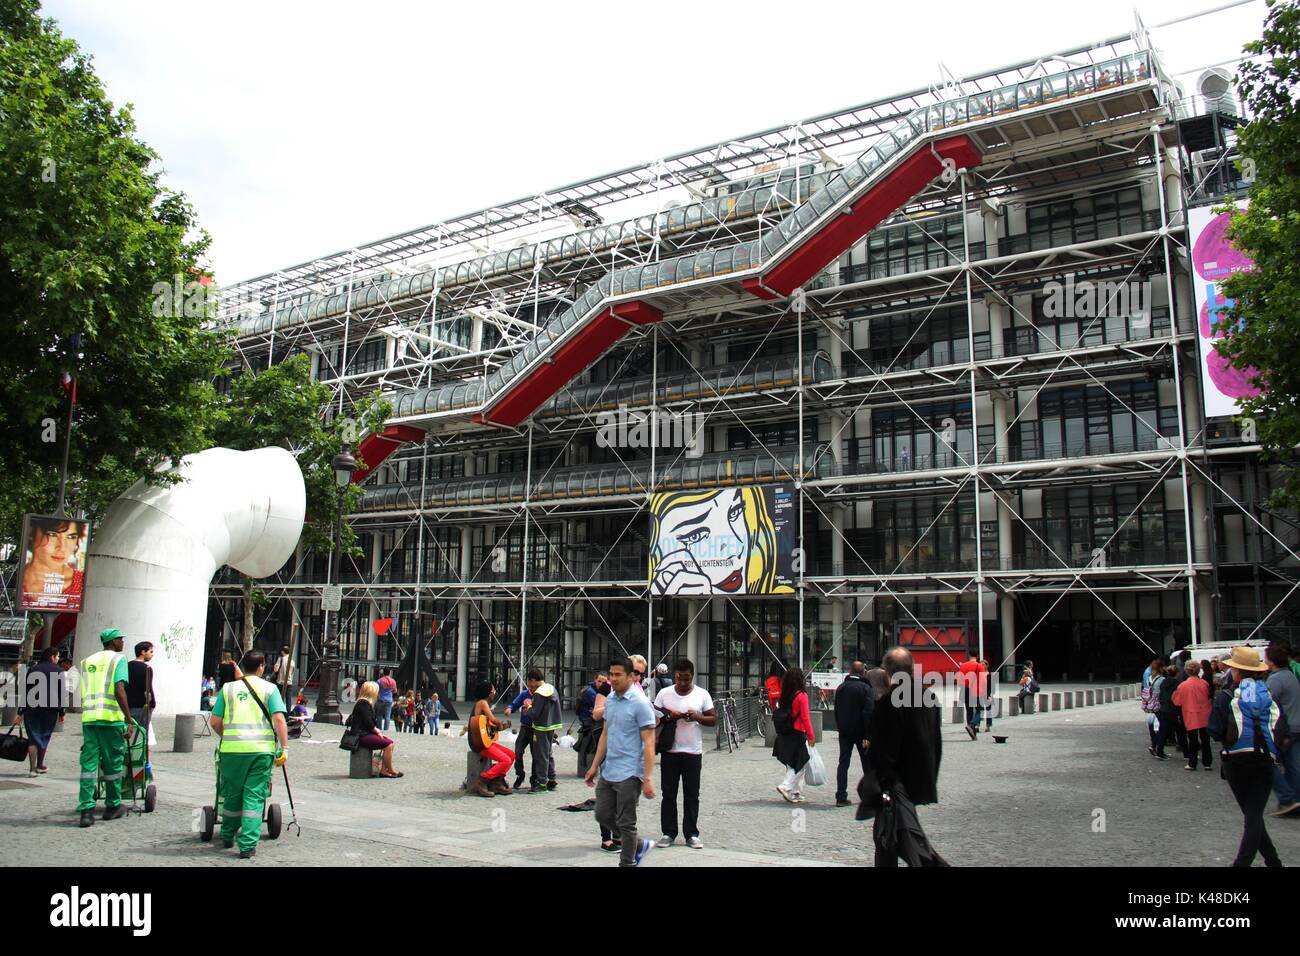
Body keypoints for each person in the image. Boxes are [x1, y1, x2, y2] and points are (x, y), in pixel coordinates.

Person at [867, 647, 945, 867]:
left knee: (887, 837)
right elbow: (935, 740)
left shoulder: (889, 702)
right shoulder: (928, 696)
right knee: (898, 835)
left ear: (887, 671)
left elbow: (884, 748)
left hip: (895, 782)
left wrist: (882, 780)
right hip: (920, 777)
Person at [1208, 646, 1284, 867]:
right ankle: (1273, 862)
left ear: (1237, 671)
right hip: (1265, 760)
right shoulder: (1269, 695)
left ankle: (1241, 864)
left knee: (1252, 816)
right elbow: (1280, 728)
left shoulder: (1227, 696)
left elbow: (1214, 730)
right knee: (1254, 815)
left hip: (1236, 760)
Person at [210, 650, 290, 858]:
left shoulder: (227, 689)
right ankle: (246, 845)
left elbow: (215, 722)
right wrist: (284, 747)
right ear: (261, 666)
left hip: (231, 751)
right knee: (254, 797)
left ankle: (227, 834)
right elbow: (279, 719)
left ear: (242, 666)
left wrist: (226, 736)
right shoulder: (270, 689)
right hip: (260, 751)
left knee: (232, 795)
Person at [586, 658, 657, 867]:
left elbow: (650, 742)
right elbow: (605, 735)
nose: (613, 679)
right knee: (602, 814)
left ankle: (627, 862)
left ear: (629, 677)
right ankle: (638, 844)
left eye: (618, 675)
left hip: (630, 772)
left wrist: (648, 778)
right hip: (609, 769)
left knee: (626, 823)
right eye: (611, 674)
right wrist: (593, 766)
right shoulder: (610, 700)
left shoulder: (640, 703)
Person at [653, 658, 715, 849]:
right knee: (668, 794)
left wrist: (697, 717)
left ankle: (692, 833)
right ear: (674, 675)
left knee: (692, 794)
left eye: (686, 679)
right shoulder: (664, 693)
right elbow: (653, 717)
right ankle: (668, 832)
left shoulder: (702, 694)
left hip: (693, 751)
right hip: (670, 750)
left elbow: (713, 719)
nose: (681, 683)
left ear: (692, 676)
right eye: (679, 678)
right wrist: (671, 716)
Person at [75, 628, 132, 828]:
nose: (123, 642)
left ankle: (86, 810)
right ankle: (112, 806)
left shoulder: (86, 662)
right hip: (111, 719)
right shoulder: (118, 660)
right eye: (120, 639)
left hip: (90, 719)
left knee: (89, 766)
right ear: (112, 641)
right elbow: (119, 688)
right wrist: (129, 718)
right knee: (113, 765)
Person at [17, 646, 65, 777]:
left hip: (31, 708)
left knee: (33, 738)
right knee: (44, 735)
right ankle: (40, 765)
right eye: (58, 656)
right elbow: (61, 694)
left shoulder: (32, 670)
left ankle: (33, 769)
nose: (58, 659)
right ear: (52, 657)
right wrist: (62, 712)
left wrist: (20, 712)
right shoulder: (59, 671)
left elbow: (25, 691)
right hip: (50, 709)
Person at [1264, 644, 1300, 816]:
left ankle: (1286, 798)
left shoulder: (1275, 679)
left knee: (1266, 763)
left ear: (1271, 662)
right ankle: (1295, 799)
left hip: (1283, 728)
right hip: (1296, 724)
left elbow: (1267, 703)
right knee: (1292, 765)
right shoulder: (1290, 675)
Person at [832, 660, 873, 808]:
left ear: (850, 671)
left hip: (844, 731)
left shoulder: (841, 688)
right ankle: (869, 795)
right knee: (867, 764)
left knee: (843, 763)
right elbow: (868, 712)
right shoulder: (865, 688)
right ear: (863, 672)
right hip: (861, 732)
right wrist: (868, 735)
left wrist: (839, 726)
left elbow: (836, 710)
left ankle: (841, 796)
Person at [772, 666, 816, 804]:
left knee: (793, 762)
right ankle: (786, 786)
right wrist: (811, 735)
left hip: (785, 732)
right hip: (797, 732)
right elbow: (805, 717)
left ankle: (796, 792)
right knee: (800, 762)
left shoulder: (785, 695)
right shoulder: (802, 696)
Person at [345, 682, 402, 778]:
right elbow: (369, 723)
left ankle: (384, 770)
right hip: (361, 736)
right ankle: (390, 769)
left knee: (391, 743)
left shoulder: (363, 703)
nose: (378, 693)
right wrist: (377, 732)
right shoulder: (364, 703)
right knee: (388, 745)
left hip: (363, 734)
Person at [468, 681, 514, 797]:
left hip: (484, 741)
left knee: (512, 755)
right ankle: (482, 780)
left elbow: (488, 728)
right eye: (493, 690)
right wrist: (500, 723)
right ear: (489, 693)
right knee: (506, 760)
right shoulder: (483, 703)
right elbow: (493, 720)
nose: (495, 692)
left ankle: (497, 782)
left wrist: (500, 727)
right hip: (479, 743)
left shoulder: (482, 704)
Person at [1173, 659, 1213, 771]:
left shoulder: (1183, 685)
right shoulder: (1204, 683)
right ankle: (1207, 762)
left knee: (1193, 740)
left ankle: (1192, 762)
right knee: (1205, 740)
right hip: (1204, 713)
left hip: (1190, 713)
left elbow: (1177, 701)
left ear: (1187, 671)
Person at [526, 674, 563, 793]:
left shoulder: (539, 693)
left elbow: (535, 713)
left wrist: (528, 708)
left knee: (541, 755)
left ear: (533, 680)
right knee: (548, 753)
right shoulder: (552, 689)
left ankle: (541, 783)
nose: (530, 687)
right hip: (551, 726)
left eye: (529, 683)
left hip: (541, 727)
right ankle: (551, 778)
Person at [505, 671, 539, 789]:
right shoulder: (524, 694)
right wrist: (509, 709)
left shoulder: (541, 695)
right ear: (528, 682)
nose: (533, 688)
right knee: (518, 751)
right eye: (530, 685)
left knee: (536, 754)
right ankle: (520, 774)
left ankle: (534, 779)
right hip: (525, 728)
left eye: (535, 686)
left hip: (536, 729)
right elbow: (514, 704)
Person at [126, 641, 156, 730]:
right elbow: (148, 690)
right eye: (151, 651)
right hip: (141, 707)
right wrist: (152, 703)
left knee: (127, 732)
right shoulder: (147, 668)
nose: (152, 654)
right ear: (143, 652)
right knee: (141, 734)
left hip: (126, 706)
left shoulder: (127, 666)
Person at [957, 657, 988, 740]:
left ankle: (973, 734)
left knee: (969, 711)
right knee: (980, 710)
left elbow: (959, 681)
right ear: (977, 657)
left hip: (966, 690)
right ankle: (971, 725)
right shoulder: (979, 666)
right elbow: (984, 681)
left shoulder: (963, 666)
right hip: (977, 690)